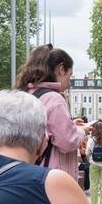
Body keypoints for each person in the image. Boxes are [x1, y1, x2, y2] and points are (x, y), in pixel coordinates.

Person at [17, 44, 87, 175]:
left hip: (28, 172)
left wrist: (71, 125)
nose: (70, 81)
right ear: (61, 69)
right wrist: (81, 130)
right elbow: (68, 142)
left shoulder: (27, 95)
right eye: (70, 75)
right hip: (51, 177)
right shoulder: (54, 99)